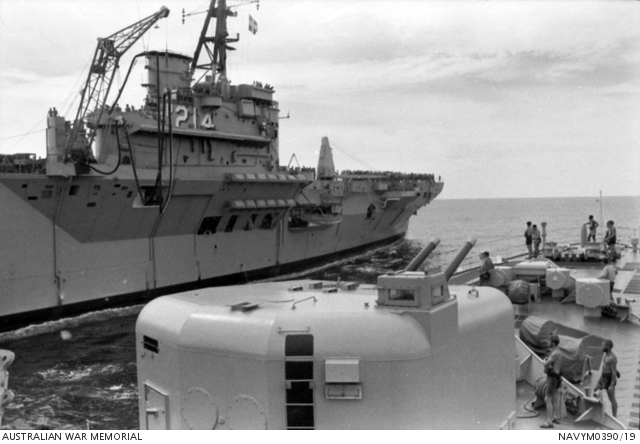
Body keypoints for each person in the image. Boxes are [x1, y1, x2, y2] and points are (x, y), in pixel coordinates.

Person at [540, 335, 563, 428]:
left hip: (552, 379)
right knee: (554, 398)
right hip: (556, 378)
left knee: (547, 399)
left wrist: (544, 360)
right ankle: (556, 417)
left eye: (549, 342)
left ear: (553, 343)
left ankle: (549, 422)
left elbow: (545, 363)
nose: (547, 343)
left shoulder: (554, 354)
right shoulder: (559, 352)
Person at [594, 340, 618, 417]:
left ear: (608, 347)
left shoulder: (612, 358)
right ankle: (597, 408)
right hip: (603, 376)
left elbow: (613, 372)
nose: (601, 347)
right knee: (595, 390)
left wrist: (611, 384)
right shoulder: (606, 354)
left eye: (603, 345)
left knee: (611, 398)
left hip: (608, 379)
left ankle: (614, 417)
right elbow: (610, 368)